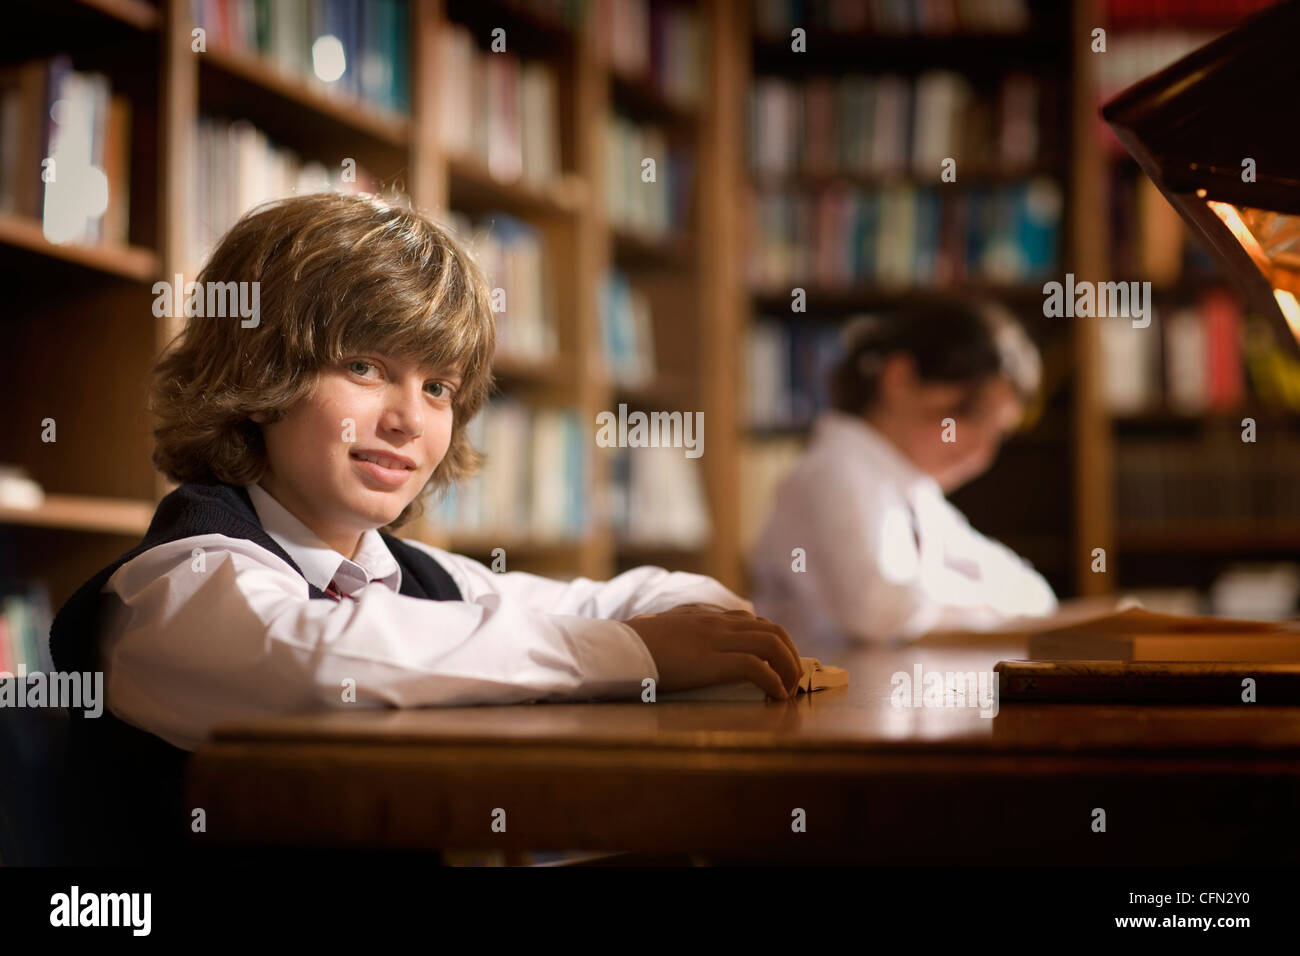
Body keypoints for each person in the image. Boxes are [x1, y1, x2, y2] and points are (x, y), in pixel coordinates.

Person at [48, 191, 800, 863]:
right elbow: (320, 660)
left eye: (438, 387)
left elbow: (628, 601)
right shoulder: (174, 586)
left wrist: (709, 631)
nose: (410, 420)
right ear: (256, 373)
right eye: (367, 368)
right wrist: (636, 652)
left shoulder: (416, 578)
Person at [748, 296, 1058, 647]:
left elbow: (1034, 594)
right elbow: (878, 609)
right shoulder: (835, 469)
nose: (982, 451)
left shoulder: (913, 490)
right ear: (899, 379)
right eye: (971, 416)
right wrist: (976, 596)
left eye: (998, 435)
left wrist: (935, 590)